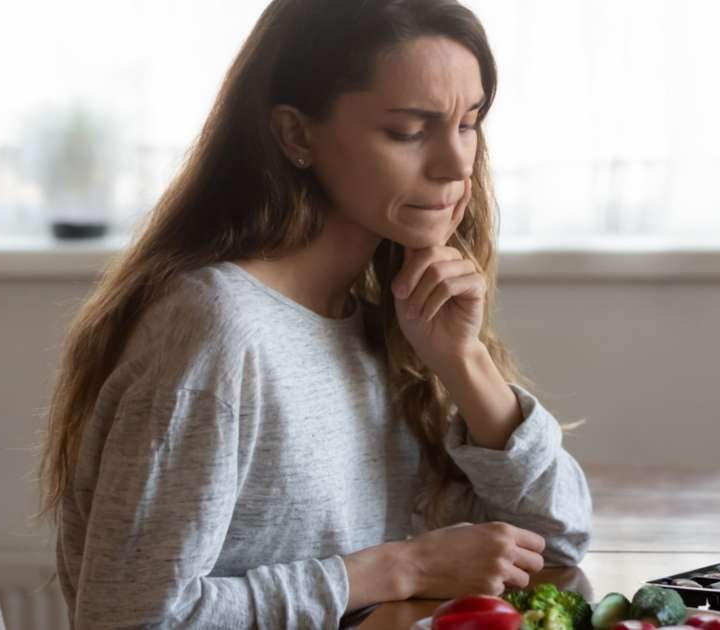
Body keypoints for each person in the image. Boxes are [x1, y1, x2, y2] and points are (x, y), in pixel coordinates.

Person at [35, 0, 592, 627]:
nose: (458, 164)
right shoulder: (218, 330)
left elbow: (559, 539)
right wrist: (399, 567)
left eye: (469, 123)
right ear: (297, 134)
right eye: (409, 131)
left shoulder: (384, 317)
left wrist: (465, 364)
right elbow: (129, 618)